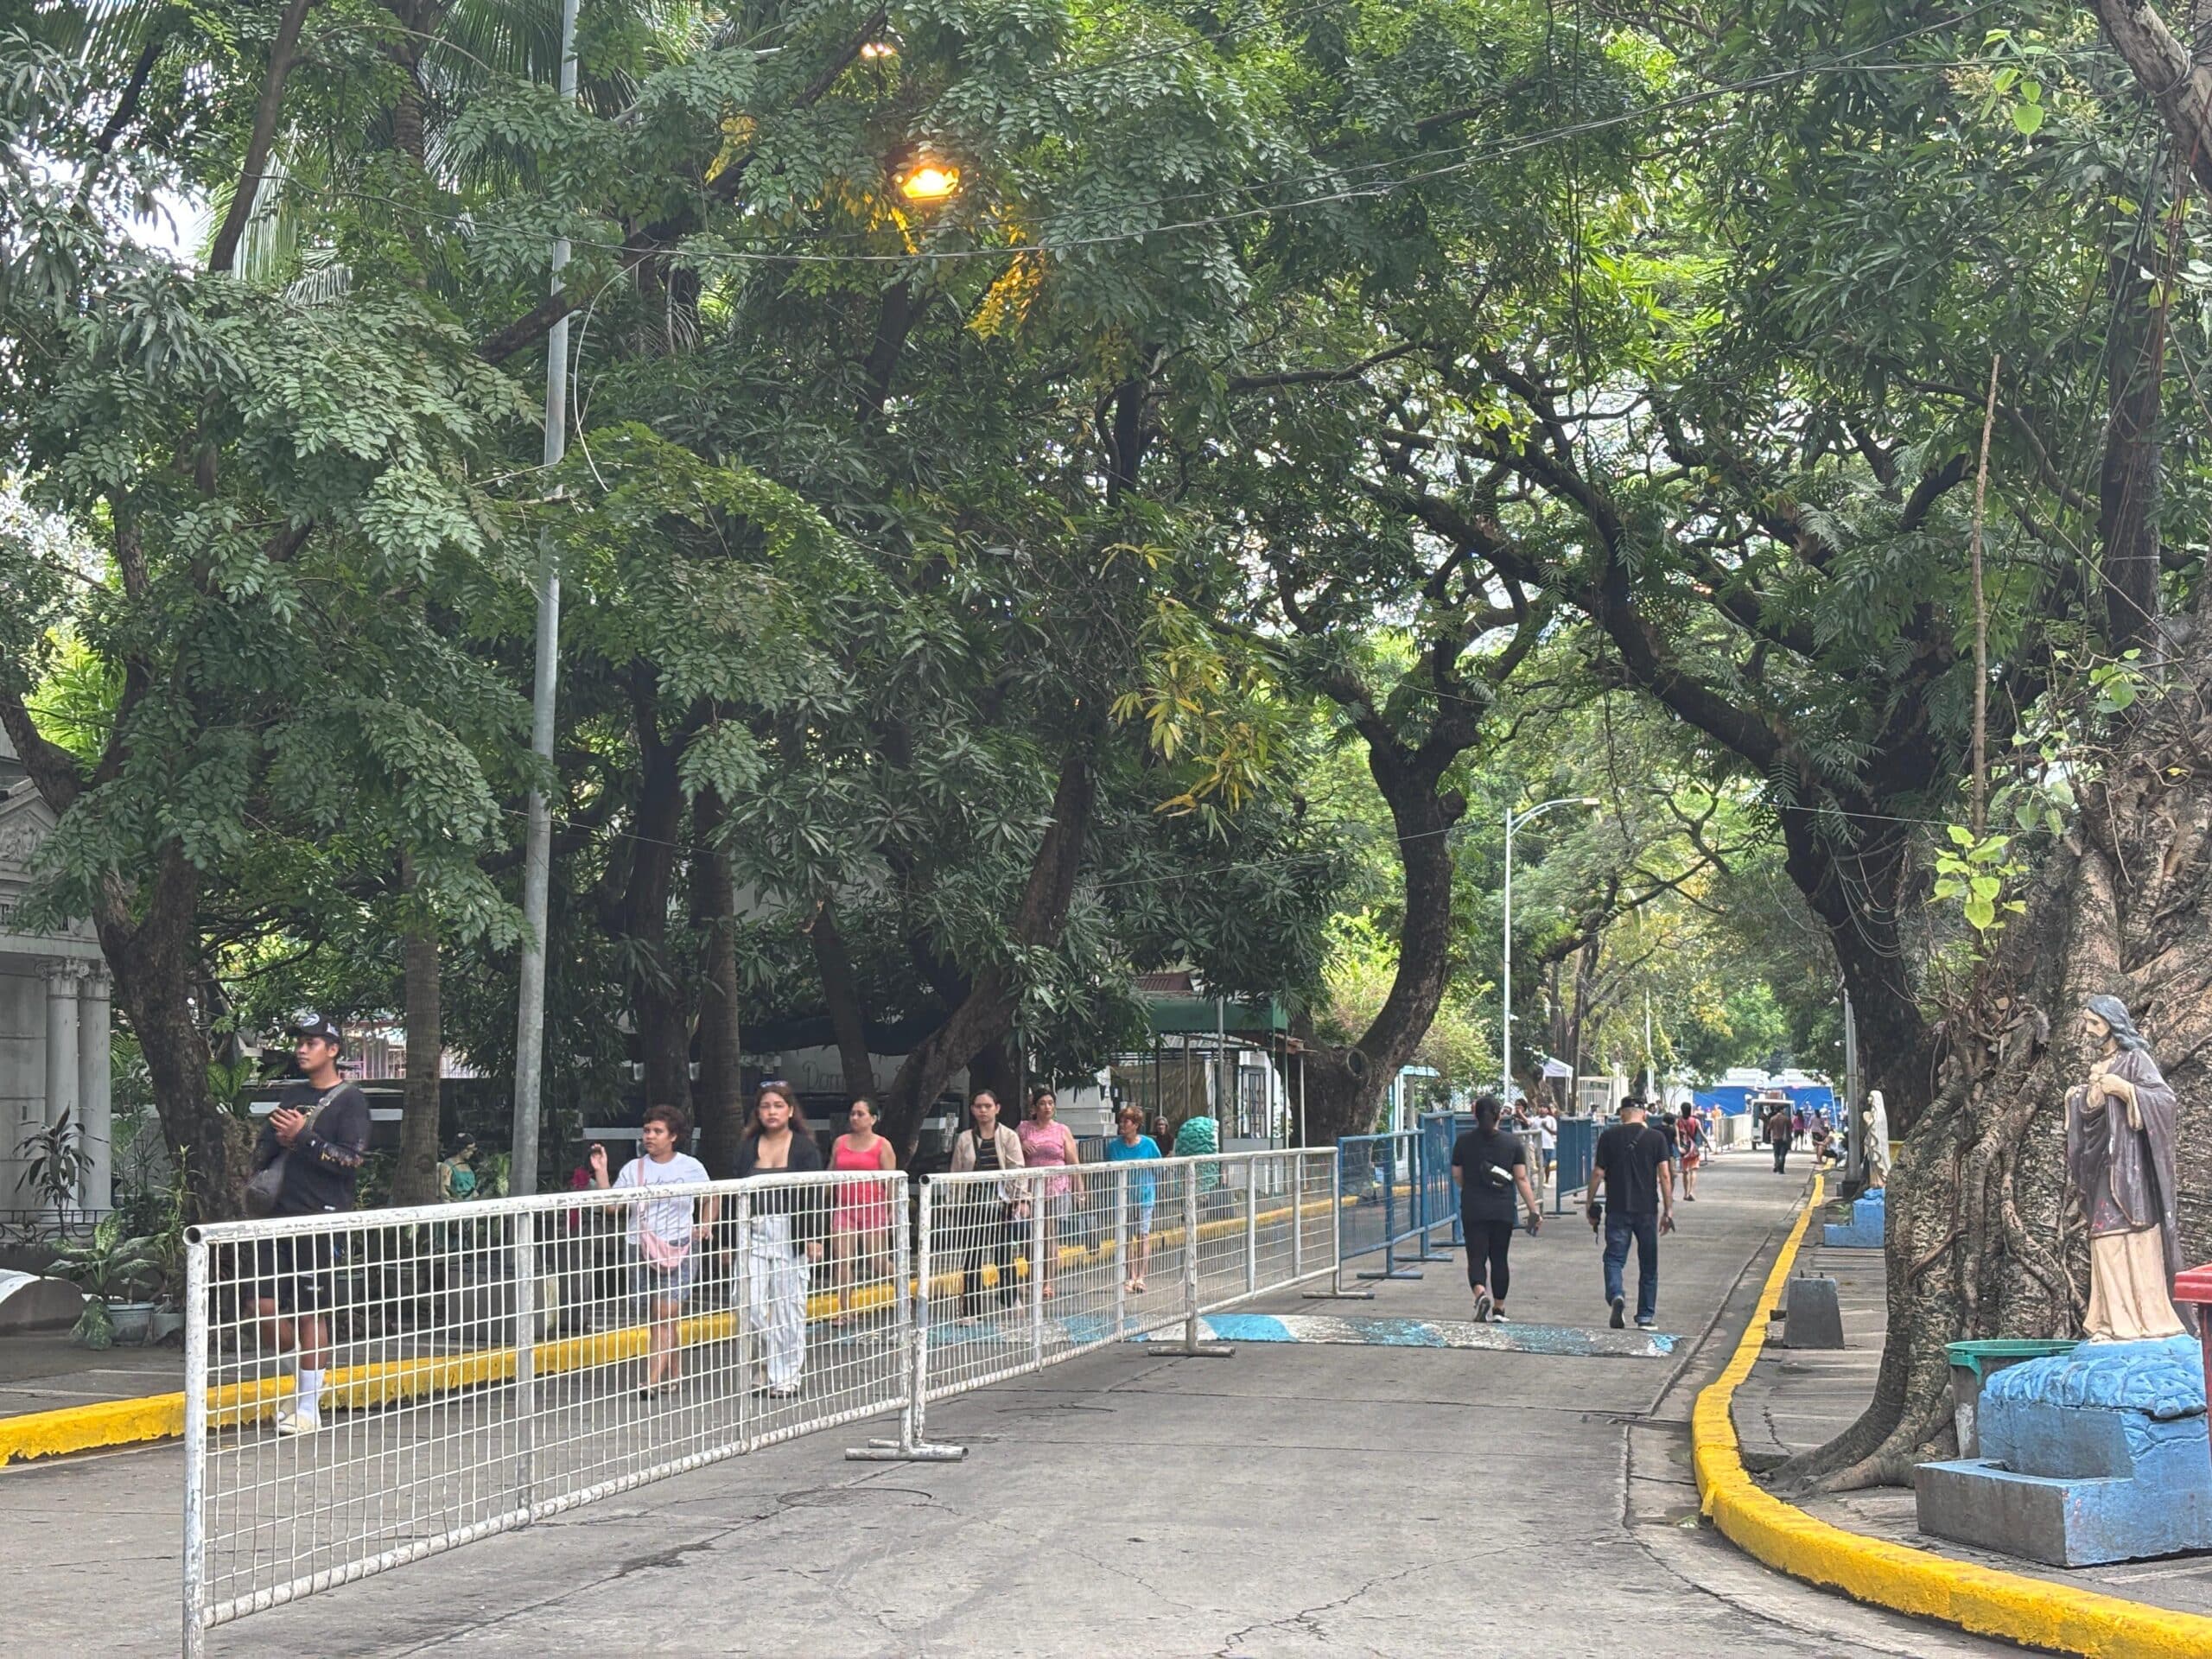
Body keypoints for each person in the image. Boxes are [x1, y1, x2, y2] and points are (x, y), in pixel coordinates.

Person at [251, 1014, 372, 1437]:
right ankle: (301, 1373)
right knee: (261, 1306)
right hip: (275, 1214)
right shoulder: (292, 1094)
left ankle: (308, 1407)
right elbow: (264, 1149)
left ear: (333, 1050)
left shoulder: (350, 1101)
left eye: (312, 1043)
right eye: (299, 1042)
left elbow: (352, 1160)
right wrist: (279, 1138)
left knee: (311, 1311)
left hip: (320, 1217)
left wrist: (305, 1137)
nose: (301, 1049)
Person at [589, 1104, 716, 1397]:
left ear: (673, 1136)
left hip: (680, 1246)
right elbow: (613, 1207)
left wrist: (705, 1224)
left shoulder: (691, 1167)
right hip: (641, 1247)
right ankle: (675, 1372)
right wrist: (602, 1172)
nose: (650, 1136)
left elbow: (713, 1196)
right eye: (647, 1130)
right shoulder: (634, 1168)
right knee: (660, 1316)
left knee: (664, 1312)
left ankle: (651, 1380)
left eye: (657, 1131)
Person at [732, 1083, 825, 1396]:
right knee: (747, 1303)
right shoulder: (747, 1146)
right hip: (753, 1230)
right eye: (765, 1106)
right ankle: (766, 1365)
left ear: (790, 1111)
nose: (771, 1111)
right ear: (757, 1112)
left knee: (788, 1308)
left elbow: (813, 1195)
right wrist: (727, 1242)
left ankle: (786, 1376)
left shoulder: (804, 1148)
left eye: (777, 1106)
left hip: (790, 1232)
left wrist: (814, 1237)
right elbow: (734, 1194)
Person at [1450, 1095, 1542, 1322]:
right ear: (1500, 1115)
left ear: (1475, 1115)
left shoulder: (1463, 1142)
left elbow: (1457, 1175)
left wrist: (1471, 1187)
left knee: (1476, 1257)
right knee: (1499, 1258)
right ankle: (1499, 1309)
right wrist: (1533, 1210)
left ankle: (1481, 1294)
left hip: (1473, 1208)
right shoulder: (1512, 1143)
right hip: (1502, 1209)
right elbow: (1521, 1178)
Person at [1587, 1096, 1676, 1330]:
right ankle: (1645, 1317)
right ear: (1644, 1113)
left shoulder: (1608, 1136)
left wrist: (1589, 1204)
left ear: (1622, 1113)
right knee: (1649, 1263)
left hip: (1617, 1207)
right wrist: (1668, 1210)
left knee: (1614, 1258)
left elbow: (1598, 1173)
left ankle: (1616, 1293)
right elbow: (1665, 1175)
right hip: (1647, 1209)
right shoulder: (1656, 1138)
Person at [949, 1090, 1027, 1319]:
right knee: (972, 1257)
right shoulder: (964, 1139)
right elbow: (956, 1172)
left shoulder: (1009, 1136)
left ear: (997, 1108)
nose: (983, 1110)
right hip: (971, 1206)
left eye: (988, 1106)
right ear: (972, 1109)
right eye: (979, 1106)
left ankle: (1010, 1298)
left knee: (1003, 1253)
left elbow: (1017, 1169)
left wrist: (1021, 1199)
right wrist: (952, 1204)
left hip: (1001, 1205)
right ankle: (971, 1310)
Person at [827, 1098, 896, 1327]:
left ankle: (903, 1288)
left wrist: (893, 1209)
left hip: (873, 1209)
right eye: (852, 1114)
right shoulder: (840, 1142)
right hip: (844, 1209)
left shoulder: (882, 1145)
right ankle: (845, 1310)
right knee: (843, 1260)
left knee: (877, 1262)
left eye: (860, 1114)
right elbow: (831, 1171)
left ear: (873, 1119)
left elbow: (891, 1181)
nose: (855, 1118)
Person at [1018, 1088, 1084, 1300]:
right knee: (1028, 1236)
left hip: (1056, 1188)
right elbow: (1012, 1153)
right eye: (1042, 1103)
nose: (1047, 1107)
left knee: (1049, 1234)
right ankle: (1032, 1275)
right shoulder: (1024, 1129)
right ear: (1034, 1108)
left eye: (1050, 1103)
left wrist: (1080, 1190)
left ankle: (1047, 1281)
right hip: (1029, 1190)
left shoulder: (1062, 1130)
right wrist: (1021, 1145)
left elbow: (1073, 1161)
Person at [1103, 1105, 1162, 1294]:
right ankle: (1131, 1276)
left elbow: (1159, 1167)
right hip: (1122, 1198)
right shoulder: (1113, 1147)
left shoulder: (1148, 1145)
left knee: (1143, 1235)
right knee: (1127, 1237)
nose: (1122, 1125)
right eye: (1121, 1121)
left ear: (1136, 1124)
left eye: (1126, 1121)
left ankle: (1141, 1277)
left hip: (1144, 1196)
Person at [1675, 1108, 1704, 1200]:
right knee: (1693, 1170)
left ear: (1682, 1110)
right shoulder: (1696, 1121)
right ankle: (1691, 1191)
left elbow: (1677, 1136)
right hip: (1693, 1148)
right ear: (1690, 1110)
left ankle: (1685, 1194)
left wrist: (1679, 1147)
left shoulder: (1678, 1121)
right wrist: (1707, 1142)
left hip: (1684, 1149)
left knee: (1685, 1172)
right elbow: (1701, 1133)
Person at [1765, 1098, 1793, 1173]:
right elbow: (1791, 1128)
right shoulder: (1786, 1119)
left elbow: (1769, 1129)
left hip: (1775, 1139)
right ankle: (1781, 1169)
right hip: (1784, 1139)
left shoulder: (1772, 1119)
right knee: (1783, 1154)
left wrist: (1768, 1136)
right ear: (1781, 1110)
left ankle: (1777, 1166)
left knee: (1776, 1154)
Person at [1535, 1104, 1559, 1181]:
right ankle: (1540, 1181)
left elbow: (1555, 1132)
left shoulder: (1551, 1119)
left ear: (1547, 1110)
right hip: (1537, 1145)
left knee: (1546, 1164)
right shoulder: (1535, 1119)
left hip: (1548, 1145)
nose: (1542, 1109)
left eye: (1544, 1107)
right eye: (1540, 1107)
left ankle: (1546, 1180)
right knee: (1539, 1164)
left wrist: (1546, 1127)